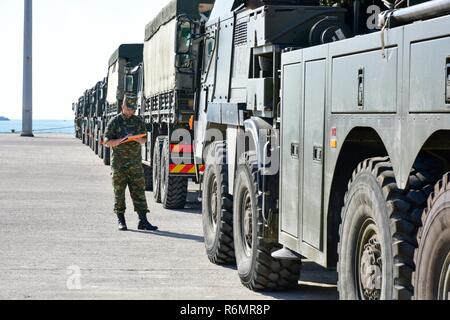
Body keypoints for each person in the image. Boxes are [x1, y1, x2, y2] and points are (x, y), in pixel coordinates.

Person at [104, 94, 158, 232]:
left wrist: (137, 139)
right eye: (128, 109)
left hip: (135, 164)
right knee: (119, 193)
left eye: (133, 110)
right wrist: (120, 141)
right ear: (123, 106)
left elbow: (144, 139)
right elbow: (106, 142)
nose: (130, 112)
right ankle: (121, 221)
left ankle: (143, 221)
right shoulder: (114, 122)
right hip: (119, 165)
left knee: (139, 192)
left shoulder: (138, 121)